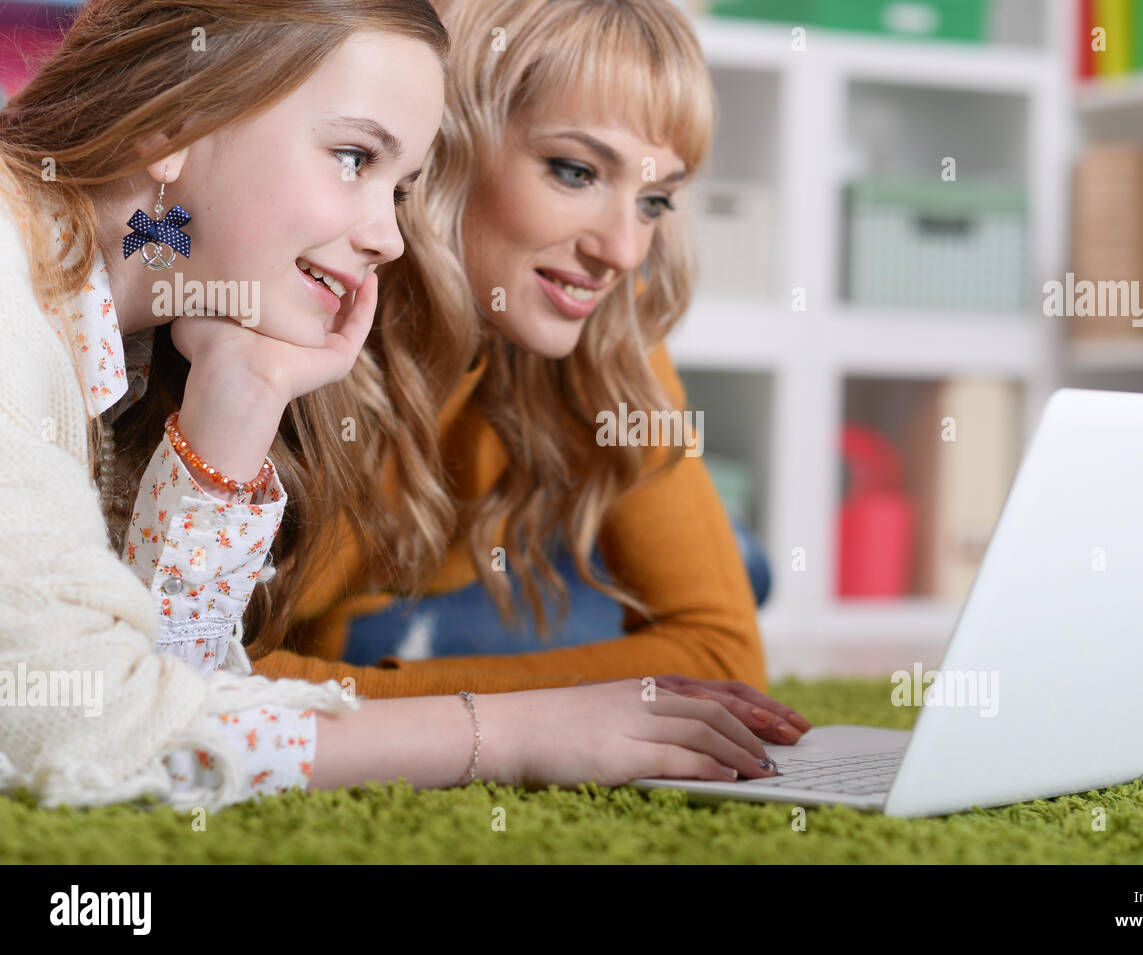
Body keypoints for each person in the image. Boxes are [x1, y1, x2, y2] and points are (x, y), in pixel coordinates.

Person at [0, 0, 786, 813]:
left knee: (735, 565)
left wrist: (241, 393)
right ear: (172, 126)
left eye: (402, 184)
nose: (391, 236)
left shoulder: (155, 315)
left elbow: (163, 674)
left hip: (477, 580)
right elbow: (99, 720)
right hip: (436, 606)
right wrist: (507, 731)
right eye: (353, 157)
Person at [249, 0, 811, 745]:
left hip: (481, 558)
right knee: (730, 568)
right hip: (431, 579)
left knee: (743, 570)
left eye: (653, 200)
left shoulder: (603, 316)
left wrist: (378, 693)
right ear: (445, 139)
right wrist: (475, 714)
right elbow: (205, 677)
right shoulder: (307, 294)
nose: (622, 251)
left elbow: (719, 650)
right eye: (575, 171)